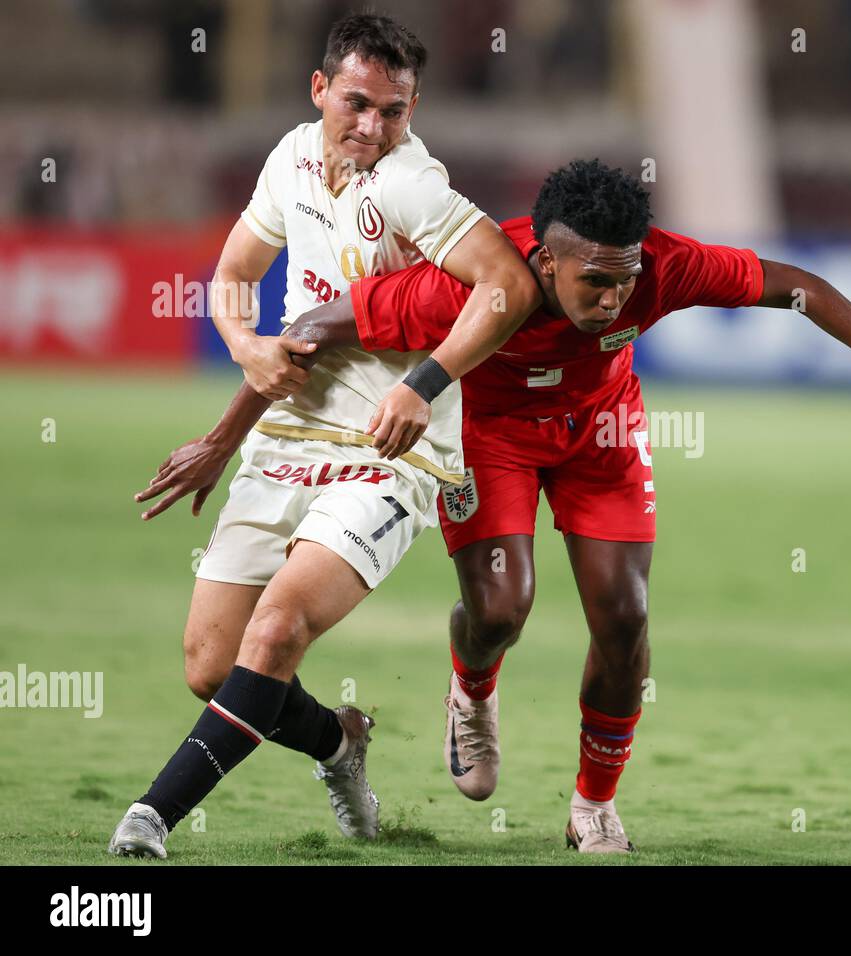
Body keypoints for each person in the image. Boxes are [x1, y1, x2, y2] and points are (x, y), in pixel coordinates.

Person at [152, 158, 851, 854]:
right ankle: (471, 688)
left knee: (625, 619)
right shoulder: (461, 285)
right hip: (488, 434)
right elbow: (308, 328)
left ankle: (593, 803)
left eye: (626, 280)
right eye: (596, 281)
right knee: (502, 607)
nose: (616, 299)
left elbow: (798, 287)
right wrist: (223, 439)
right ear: (544, 264)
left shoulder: (657, 264)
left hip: (602, 435)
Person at [106, 12, 538, 858]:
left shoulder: (412, 184)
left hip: (387, 455)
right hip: (289, 439)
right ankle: (341, 741)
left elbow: (509, 286)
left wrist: (425, 383)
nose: (374, 127)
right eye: (357, 104)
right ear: (319, 92)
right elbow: (232, 275)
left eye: (395, 110)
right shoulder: (292, 157)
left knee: (273, 634)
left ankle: (150, 818)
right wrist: (246, 348)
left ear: (414, 109)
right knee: (211, 665)